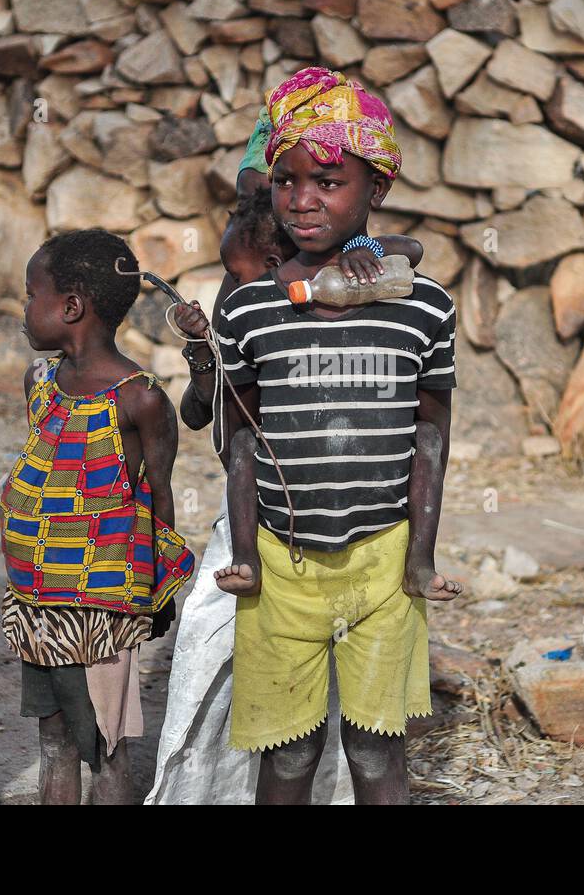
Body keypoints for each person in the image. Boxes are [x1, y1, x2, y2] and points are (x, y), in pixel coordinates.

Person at [214, 67, 461, 805]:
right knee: (287, 759)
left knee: (378, 754)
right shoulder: (251, 310)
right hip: (281, 568)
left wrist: (419, 557)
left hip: (382, 568)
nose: (304, 200)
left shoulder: (423, 310)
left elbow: (430, 439)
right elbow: (238, 440)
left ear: (375, 189)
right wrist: (246, 555)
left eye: (328, 181)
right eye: (287, 183)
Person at [147, 185, 424, 804]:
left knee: (357, 724)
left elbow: (412, 248)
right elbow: (204, 416)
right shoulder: (245, 315)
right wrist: (201, 355)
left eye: (236, 275)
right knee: (207, 658)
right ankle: (198, 788)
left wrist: (359, 246)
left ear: (279, 267)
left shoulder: (323, 301)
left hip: (331, 529)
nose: (226, 290)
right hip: (253, 521)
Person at [0, 229, 195, 804]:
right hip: (37, 600)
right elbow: (45, 475)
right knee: (54, 738)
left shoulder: (141, 398)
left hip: (102, 604)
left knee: (107, 744)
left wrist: (157, 597)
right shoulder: (40, 383)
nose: (23, 308)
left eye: (30, 293)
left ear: (71, 307)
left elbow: (161, 499)